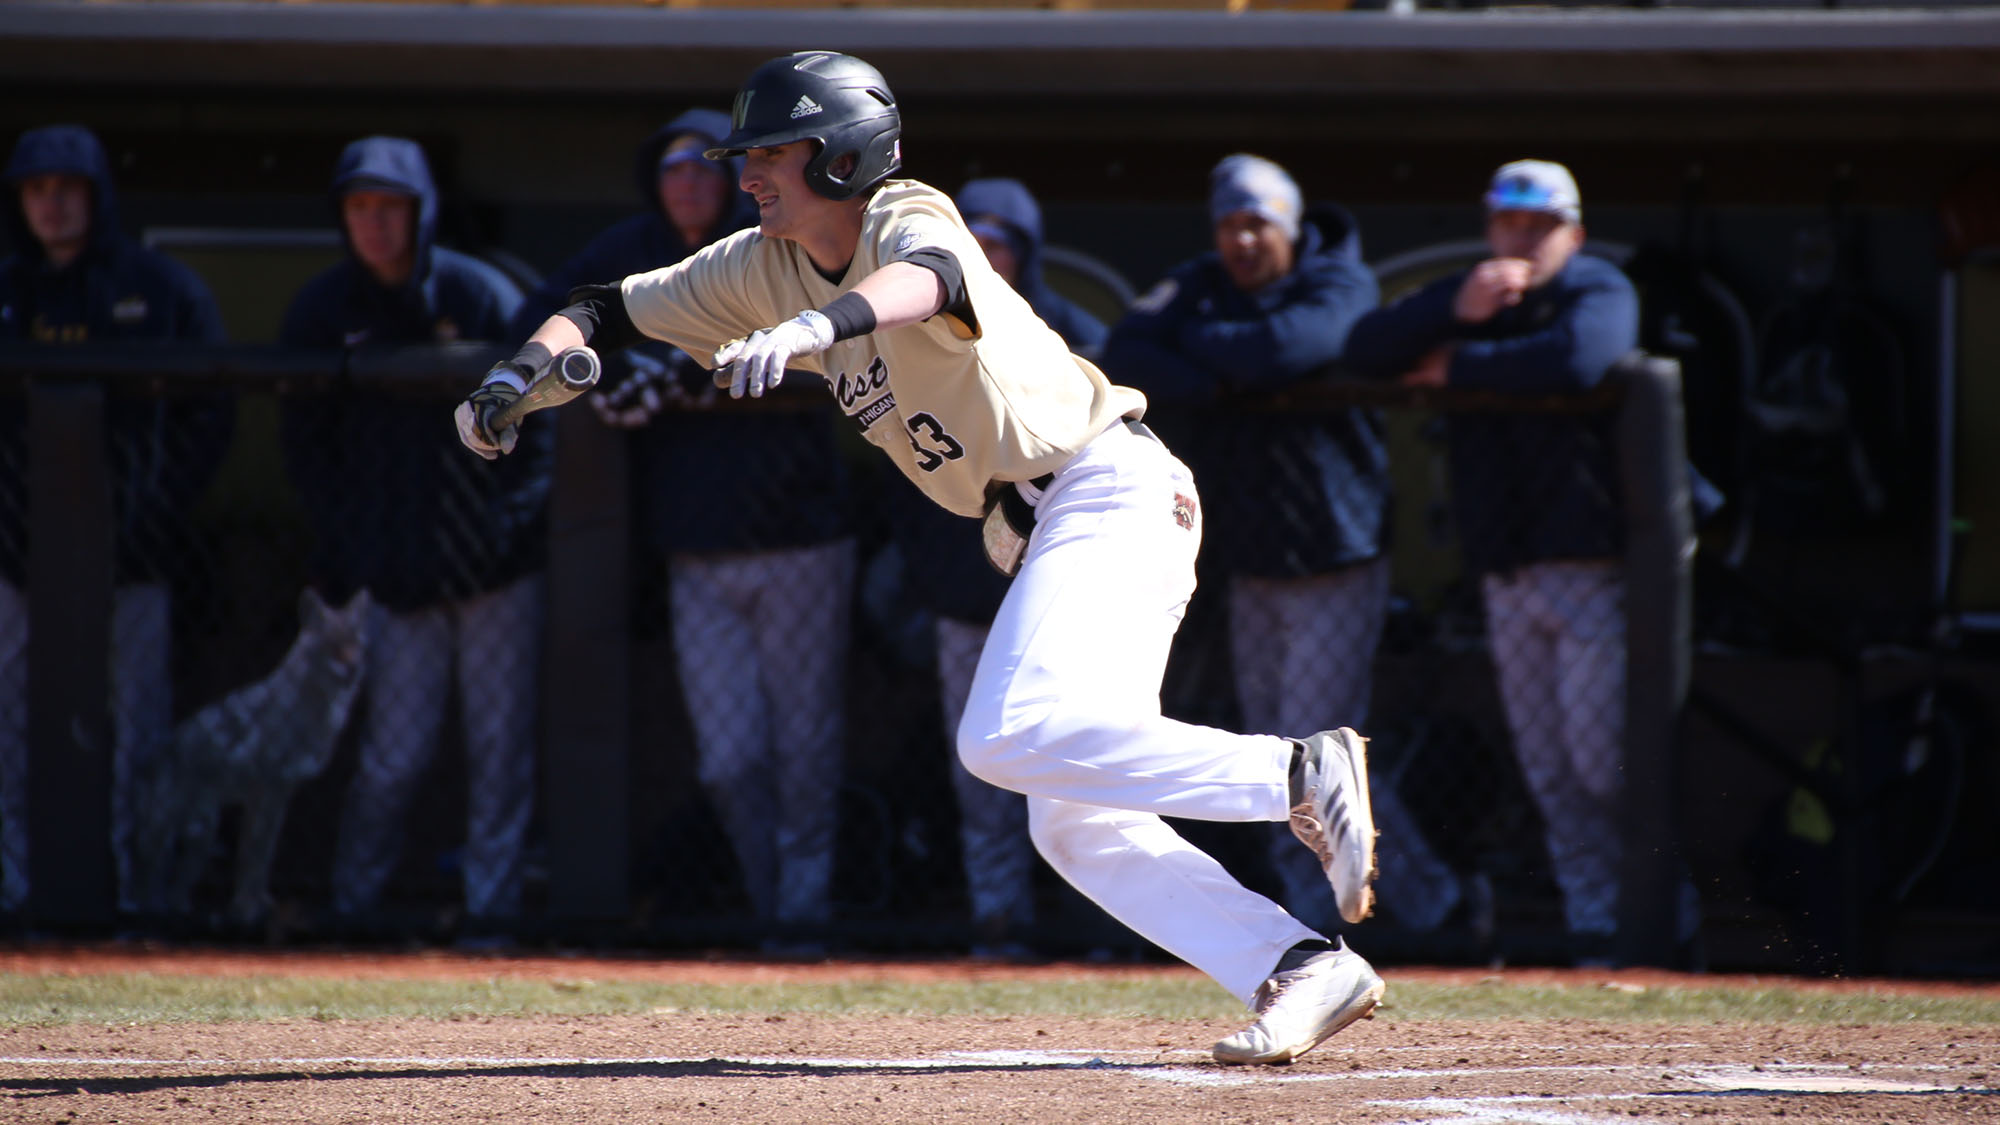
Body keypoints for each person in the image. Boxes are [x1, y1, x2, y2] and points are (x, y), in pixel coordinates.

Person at [459, 51, 1384, 1065]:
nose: (748, 173)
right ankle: (1300, 962)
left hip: (1104, 486)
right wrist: (515, 377)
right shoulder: (758, 261)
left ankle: (1296, 771)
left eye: (771, 151)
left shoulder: (908, 213)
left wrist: (818, 323)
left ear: (845, 156)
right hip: (1049, 524)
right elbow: (602, 305)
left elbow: (930, 279)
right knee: (1070, 822)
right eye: (746, 154)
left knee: (1001, 737)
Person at [1100, 154, 1483, 942]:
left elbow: (1285, 350)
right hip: (1249, 557)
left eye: (1257, 224)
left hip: (1333, 551)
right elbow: (1128, 348)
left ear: (1289, 225)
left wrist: (1205, 358)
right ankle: (1318, 916)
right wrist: (1224, 367)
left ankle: (1435, 902)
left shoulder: (1337, 279)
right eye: (1229, 223)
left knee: (1318, 743)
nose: (1241, 240)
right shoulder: (1200, 280)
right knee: (1274, 751)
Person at [515, 110, 854, 944]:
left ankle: (802, 918)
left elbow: (848, 317)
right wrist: (624, 371)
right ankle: (771, 903)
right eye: (674, 168)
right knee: (730, 758)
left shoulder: (772, 241)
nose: (692, 182)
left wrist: (693, 364)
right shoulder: (631, 250)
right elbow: (550, 310)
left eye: (707, 167)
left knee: (806, 747)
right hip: (696, 548)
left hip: (801, 538)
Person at [1342, 159, 1637, 962]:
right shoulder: (1468, 299)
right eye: (1508, 224)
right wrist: (1453, 306)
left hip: (1589, 562)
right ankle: (1597, 934)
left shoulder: (1599, 288)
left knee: (1603, 764)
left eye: (1539, 227)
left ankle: (1656, 913)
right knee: (1549, 774)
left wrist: (1461, 365)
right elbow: (1364, 350)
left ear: (1571, 234)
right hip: (1506, 563)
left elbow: (1581, 357)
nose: (1521, 240)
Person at [281, 135, 549, 942]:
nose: (376, 224)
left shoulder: (483, 294)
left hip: (496, 576)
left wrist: (505, 533)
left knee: (501, 752)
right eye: (360, 207)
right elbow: (304, 449)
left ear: (420, 212)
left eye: (390, 207)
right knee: (392, 759)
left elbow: (544, 435)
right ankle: (354, 910)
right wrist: (356, 550)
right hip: (394, 581)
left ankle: (491, 912)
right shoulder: (323, 309)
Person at [0, 123, 232, 920]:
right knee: (9, 728)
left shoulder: (160, 288)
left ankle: (137, 896)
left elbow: (213, 413)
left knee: (138, 734)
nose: (53, 204)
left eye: (68, 187)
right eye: (37, 188)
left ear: (98, 196)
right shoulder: (9, 291)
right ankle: (17, 889)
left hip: (134, 558)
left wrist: (154, 514)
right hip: (14, 559)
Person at [882, 176, 1110, 957]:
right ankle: (999, 919)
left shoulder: (1068, 330)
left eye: (1001, 239)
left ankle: (1101, 924)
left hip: (1060, 590)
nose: (988, 252)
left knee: (1068, 765)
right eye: (973, 239)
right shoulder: (910, 340)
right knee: (980, 773)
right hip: (964, 591)